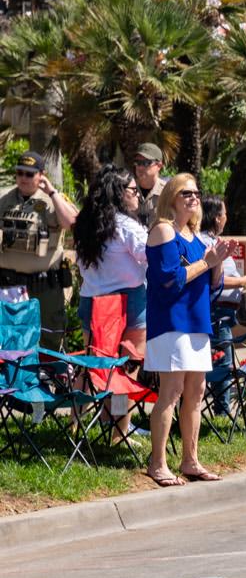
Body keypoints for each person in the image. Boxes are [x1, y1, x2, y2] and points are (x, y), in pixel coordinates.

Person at [143, 173, 233, 487]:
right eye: (186, 193)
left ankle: (190, 460)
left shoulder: (197, 238)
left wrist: (218, 261)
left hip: (197, 322)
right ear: (171, 198)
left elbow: (214, 288)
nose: (193, 198)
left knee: (196, 393)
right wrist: (207, 262)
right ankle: (158, 463)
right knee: (171, 392)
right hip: (171, 322)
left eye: (196, 193)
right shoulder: (164, 231)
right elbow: (170, 281)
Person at [74, 167, 150, 443]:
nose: (138, 197)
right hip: (129, 301)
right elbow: (151, 256)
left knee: (91, 367)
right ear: (119, 193)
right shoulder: (128, 226)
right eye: (133, 190)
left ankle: (74, 427)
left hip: (92, 300)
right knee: (126, 369)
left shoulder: (86, 222)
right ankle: (118, 432)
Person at [0, 152, 77, 348]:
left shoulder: (53, 200)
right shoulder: (4, 197)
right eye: (20, 173)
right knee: (10, 338)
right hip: (8, 284)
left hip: (44, 286)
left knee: (49, 335)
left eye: (29, 174)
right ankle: (13, 377)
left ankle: (51, 376)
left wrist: (52, 193)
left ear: (41, 175)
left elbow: (71, 223)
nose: (23, 178)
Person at [129, 143, 167, 226]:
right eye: (137, 162)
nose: (140, 167)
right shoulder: (127, 190)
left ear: (159, 166)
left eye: (146, 163)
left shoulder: (168, 192)